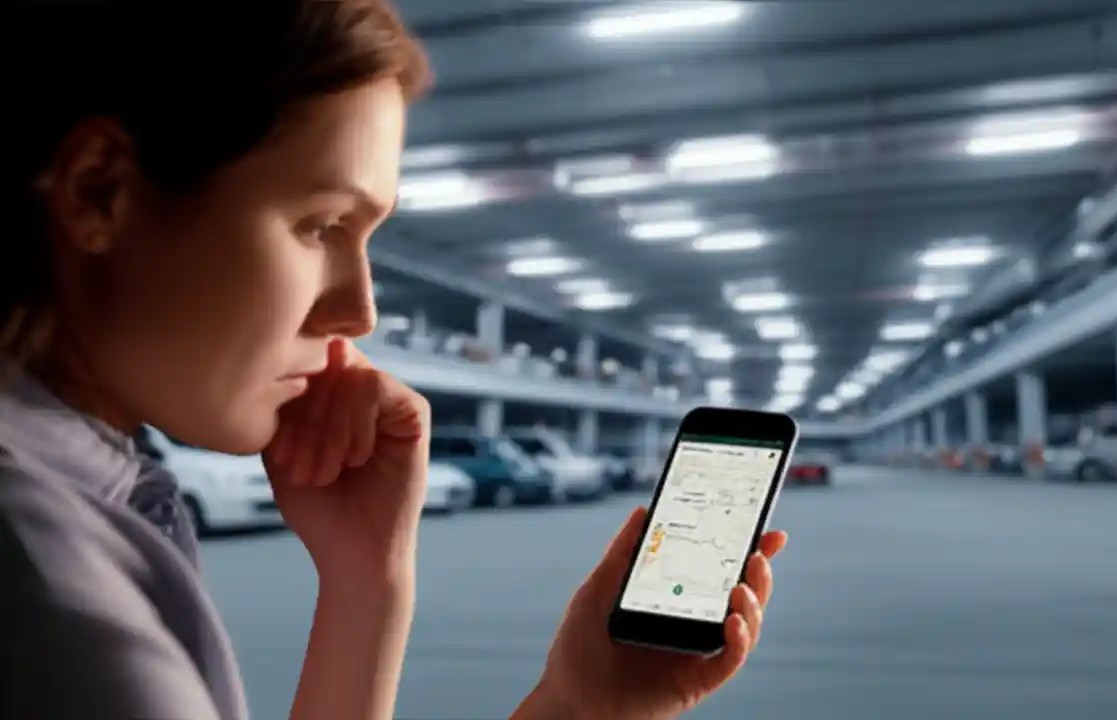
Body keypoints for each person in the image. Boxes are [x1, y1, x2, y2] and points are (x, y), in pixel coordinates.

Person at [0, 2, 788, 719]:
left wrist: (367, 586)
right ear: (99, 192)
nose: (359, 312)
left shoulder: (79, 505)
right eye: (321, 226)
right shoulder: (54, 593)